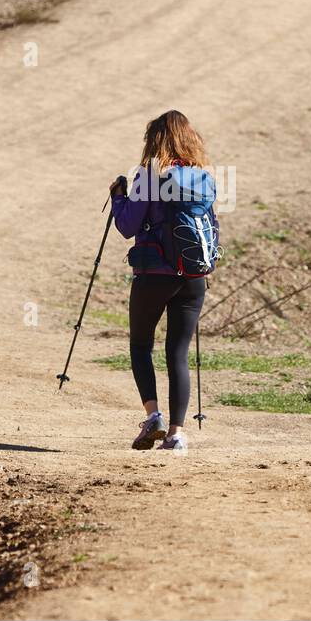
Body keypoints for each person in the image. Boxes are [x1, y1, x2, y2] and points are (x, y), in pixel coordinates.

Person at [110, 110, 216, 452]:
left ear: (155, 140)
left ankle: (152, 415)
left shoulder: (149, 177)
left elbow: (127, 226)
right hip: (193, 276)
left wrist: (118, 197)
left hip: (154, 274)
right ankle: (176, 435)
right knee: (178, 354)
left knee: (141, 345)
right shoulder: (202, 177)